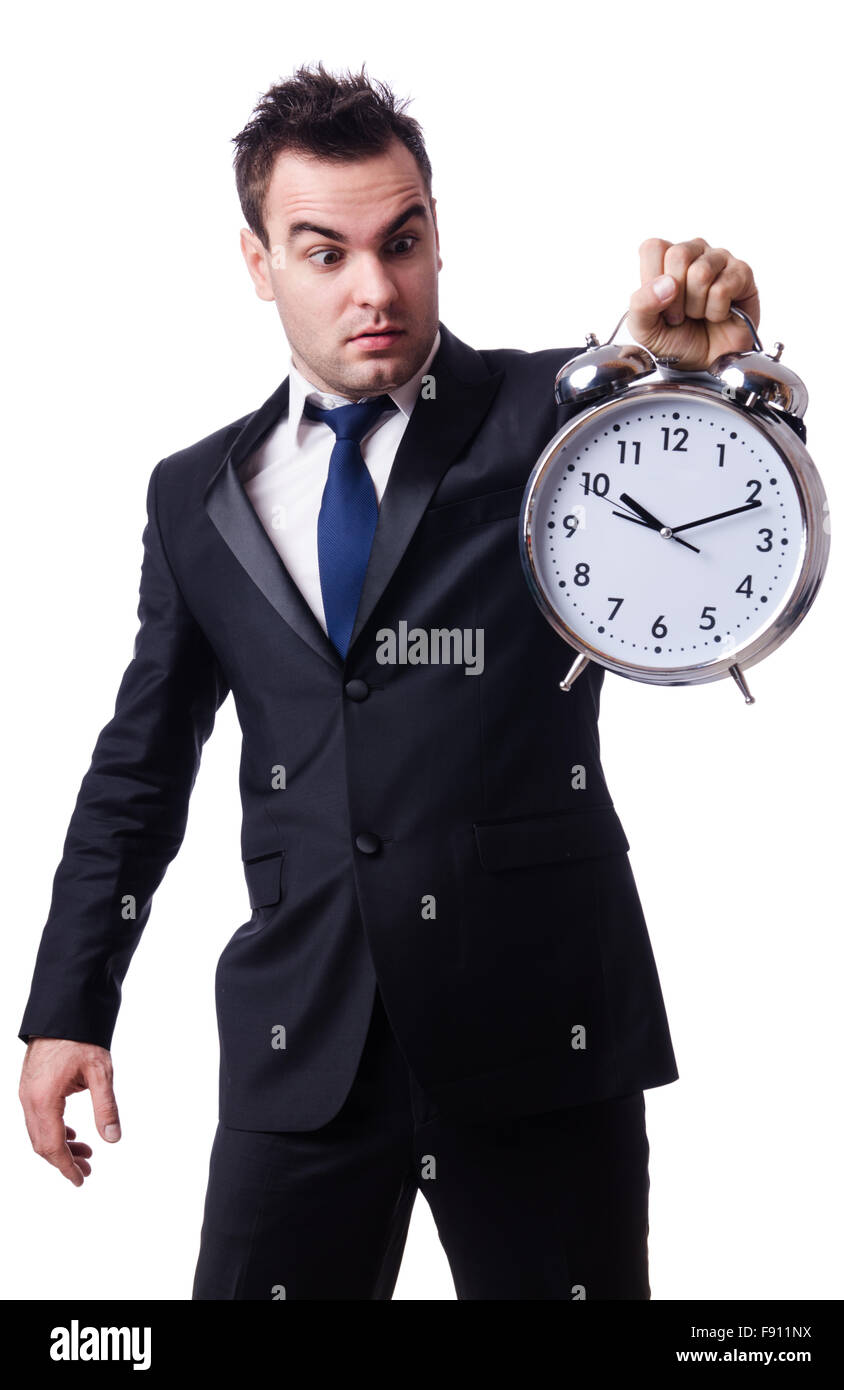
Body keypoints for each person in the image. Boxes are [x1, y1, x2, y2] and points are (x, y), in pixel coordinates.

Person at [18, 62, 765, 1300]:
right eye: (325, 253)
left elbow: (705, 516)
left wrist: (688, 377)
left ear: (435, 236)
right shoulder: (195, 495)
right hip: (304, 1041)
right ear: (257, 262)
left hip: (536, 1032)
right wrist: (68, 1005)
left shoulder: (550, 418)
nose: (377, 287)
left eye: (403, 240)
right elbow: (142, 767)